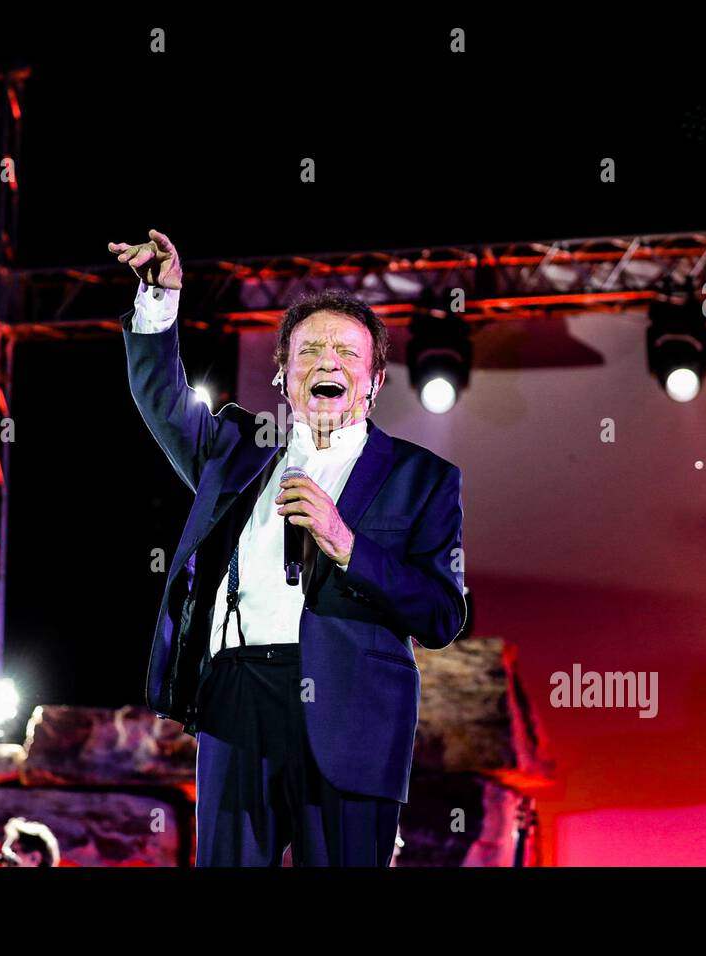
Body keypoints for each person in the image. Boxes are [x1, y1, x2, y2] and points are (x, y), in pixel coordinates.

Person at [109, 229, 466, 866]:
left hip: (353, 709)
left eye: (346, 353)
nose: (327, 363)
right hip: (238, 694)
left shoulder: (424, 478)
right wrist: (159, 303)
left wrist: (345, 541)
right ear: (283, 372)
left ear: (375, 380)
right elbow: (162, 399)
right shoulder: (237, 451)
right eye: (309, 351)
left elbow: (441, 613)